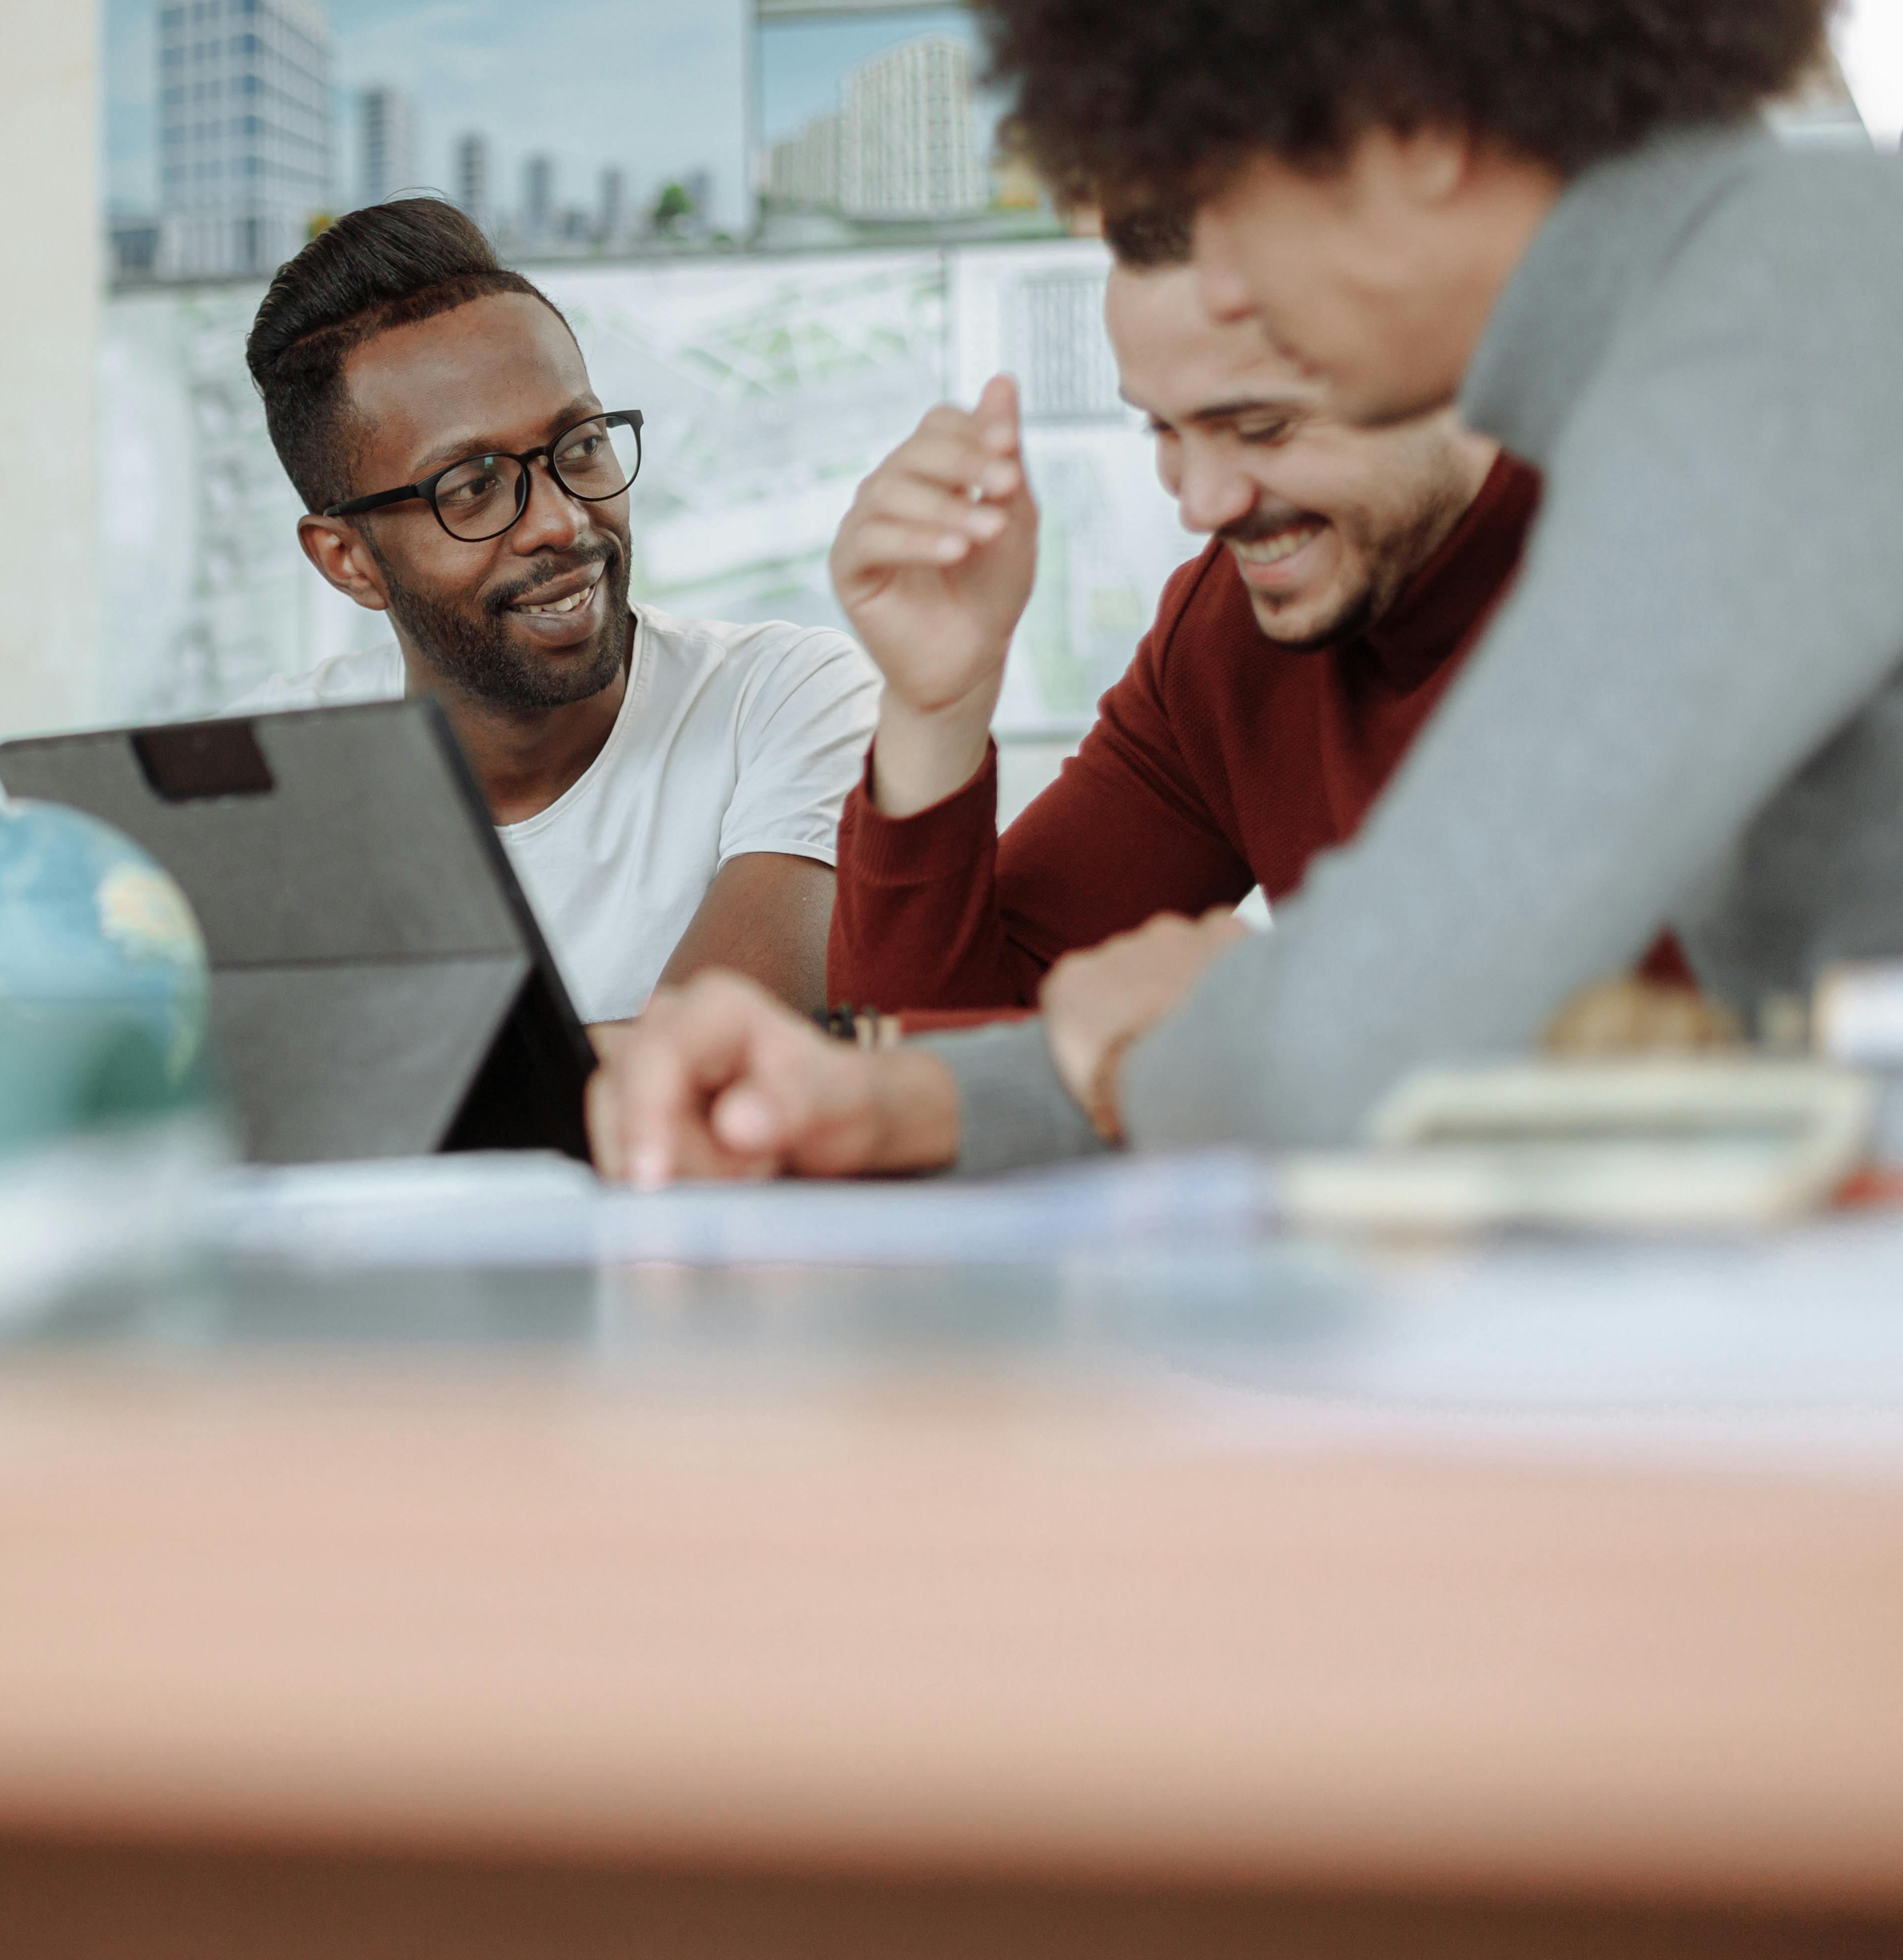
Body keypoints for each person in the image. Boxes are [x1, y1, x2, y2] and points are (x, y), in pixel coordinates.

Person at [588, 0, 1903, 1188]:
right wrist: (883, 1103)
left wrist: (1204, 1024)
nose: (1222, 286)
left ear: (1413, 132)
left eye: (1231, 206)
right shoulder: (1737, 311)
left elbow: (1370, 1035)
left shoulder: (1795, 313)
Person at [829, 208, 1532, 1020]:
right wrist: (933, 709)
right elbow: (923, 1064)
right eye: (1163, 427)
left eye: (1261, 427)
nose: (1200, 505)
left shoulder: (1675, 566)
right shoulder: (1229, 636)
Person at [236, 198, 879, 1025]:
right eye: (470, 487)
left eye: (579, 445)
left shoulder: (785, 700)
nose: (562, 521)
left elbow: (707, 1065)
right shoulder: (269, 770)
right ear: (347, 560)